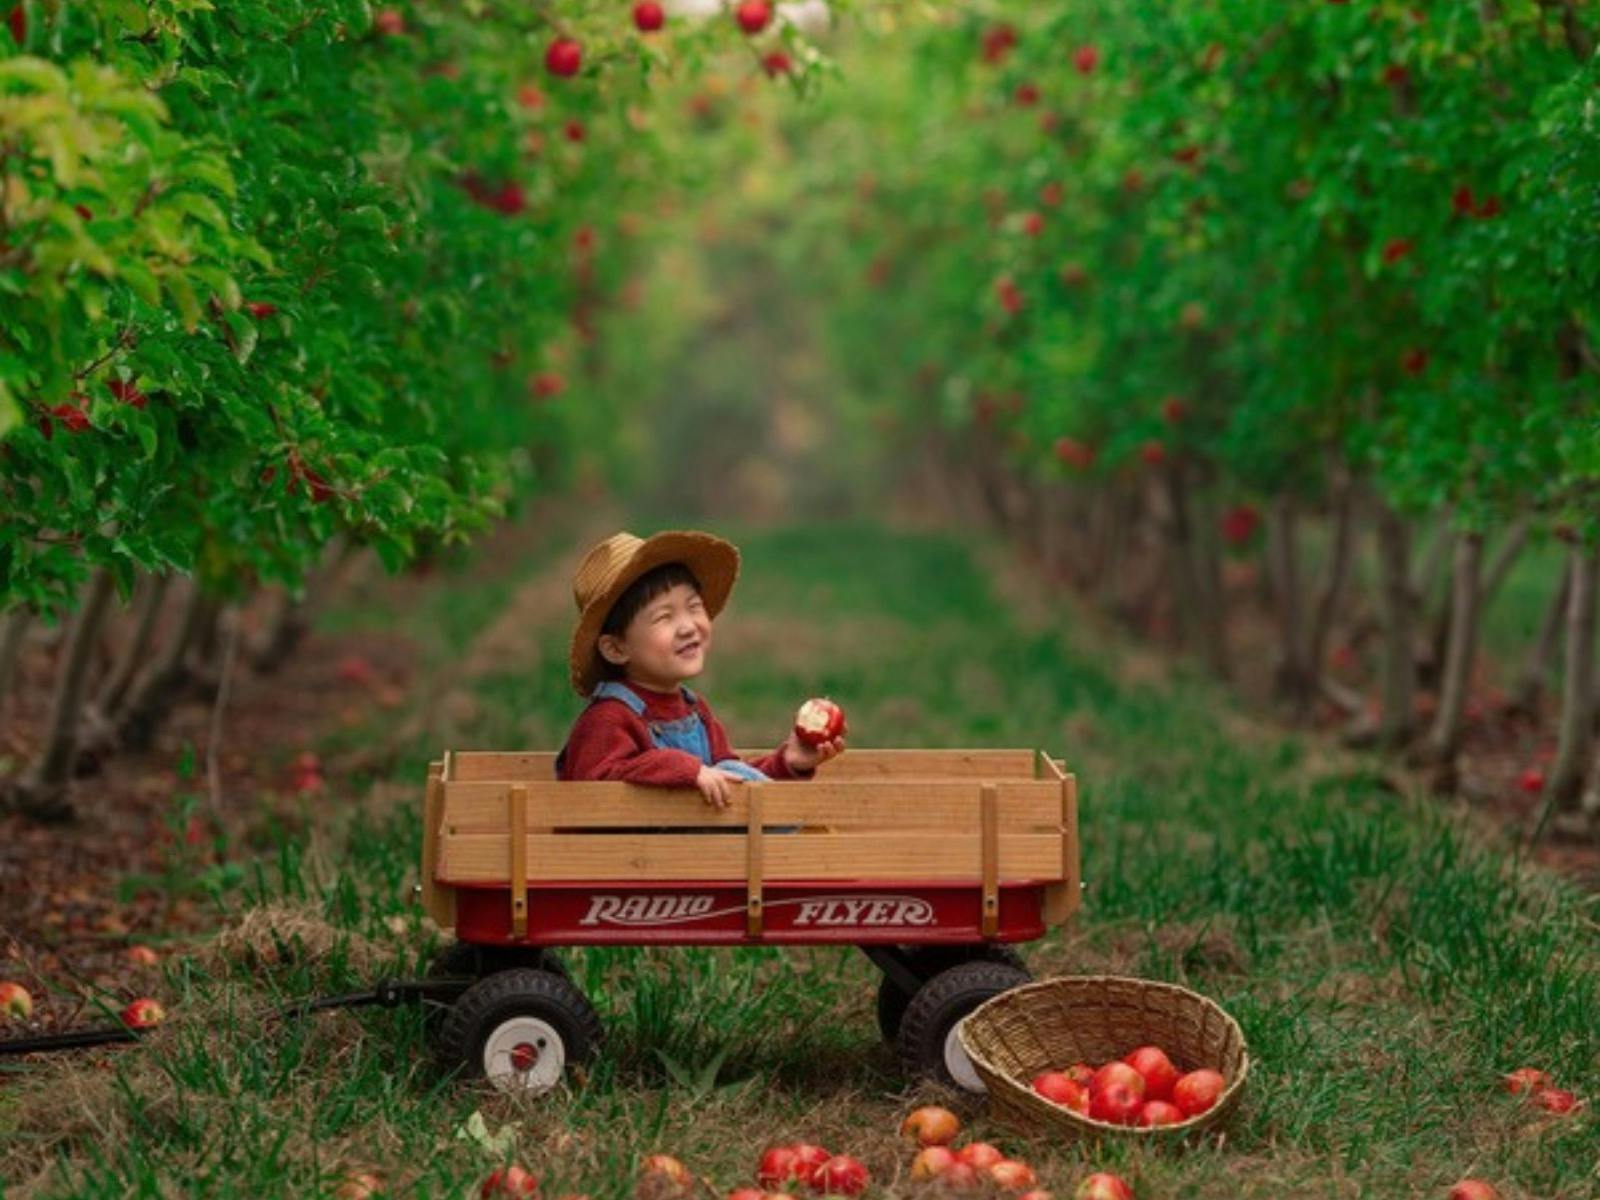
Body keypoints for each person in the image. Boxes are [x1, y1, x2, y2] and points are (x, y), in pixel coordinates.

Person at [555, 530, 845, 807]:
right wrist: (683, 769)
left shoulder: (695, 711)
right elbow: (594, 786)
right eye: (664, 617)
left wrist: (787, 762)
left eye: (693, 607)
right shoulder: (608, 718)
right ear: (616, 649)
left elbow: (730, 783)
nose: (687, 626)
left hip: (695, 843)